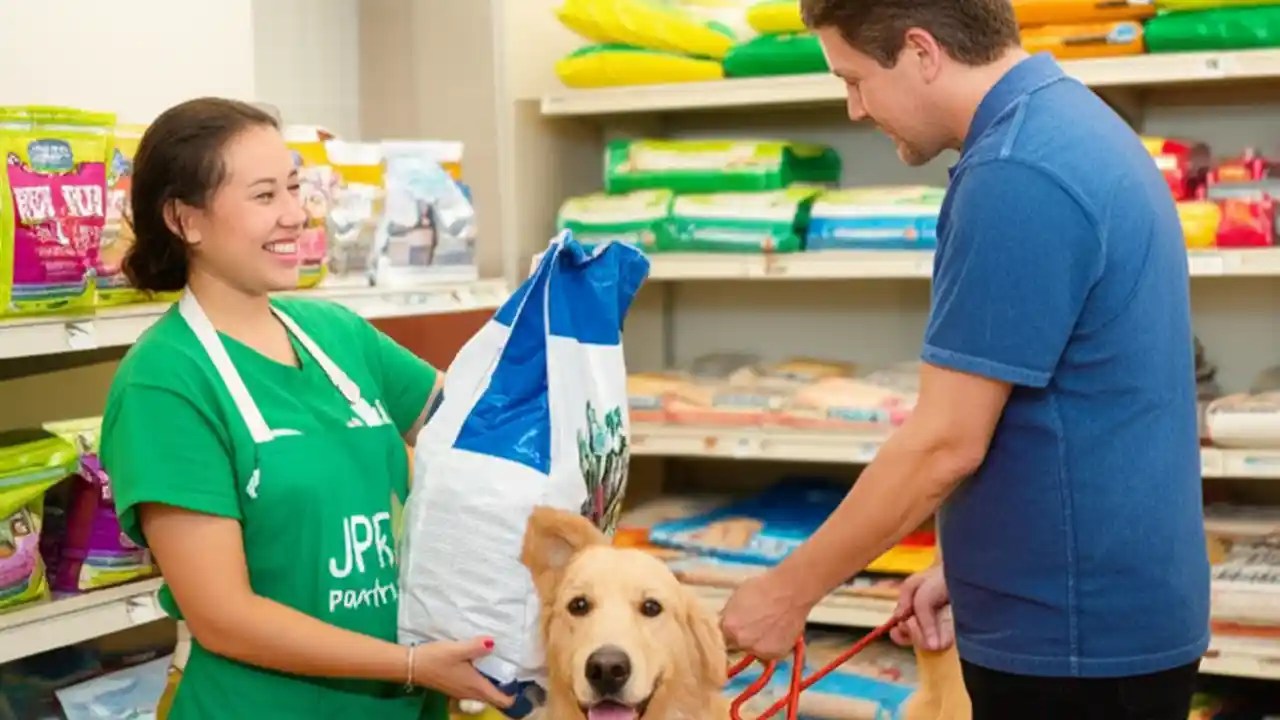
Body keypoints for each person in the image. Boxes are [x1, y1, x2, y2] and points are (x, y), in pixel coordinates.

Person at [718, 2, 1211, 718]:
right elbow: (1086, 397)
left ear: (921, 51)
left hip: (1072, 647)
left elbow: (945, 443)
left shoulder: (1016, 175)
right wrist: (976, 565)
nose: (855, 109)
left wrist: (786, 592)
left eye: (855, 79)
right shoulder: (1071, 124)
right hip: (1097, 615)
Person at [99, 97, 514, 719]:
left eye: (296, 187)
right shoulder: (165, 383)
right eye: (265, 196)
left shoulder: (336, 333)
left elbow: (477, 428)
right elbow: (224, 618)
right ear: (186, 219)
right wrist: (408, 665)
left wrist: (555, 340)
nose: (296, 215)